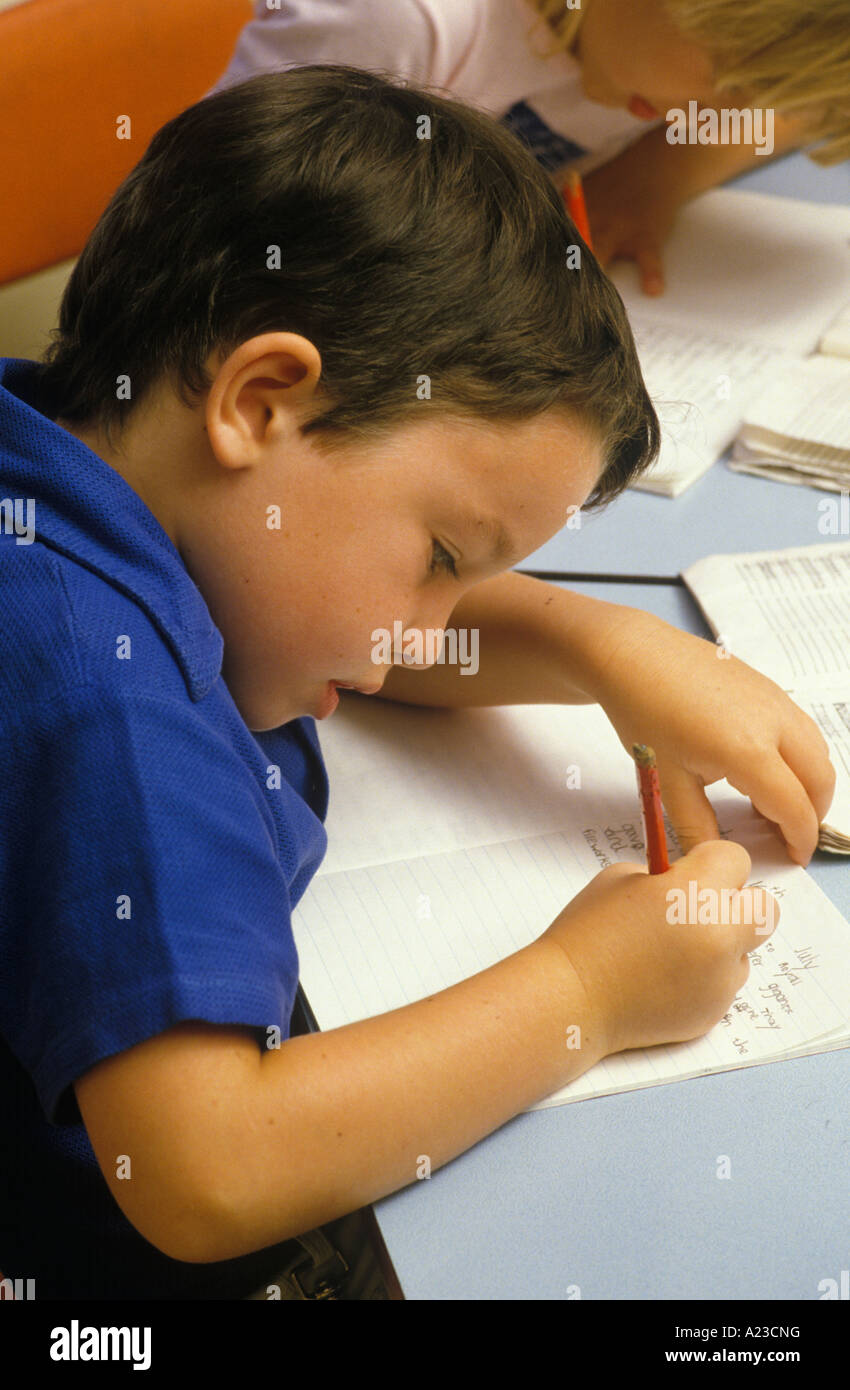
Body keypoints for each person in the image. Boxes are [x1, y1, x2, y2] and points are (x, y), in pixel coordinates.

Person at [0, 64, 832, 1300]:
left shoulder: (74, 470)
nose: (419, 636)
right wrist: (586, 994)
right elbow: (206, 1166)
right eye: (441, 557)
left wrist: (610, 650)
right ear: (261, 400)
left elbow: (332, 602)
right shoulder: (111, 710)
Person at [211, 0, 850, 294]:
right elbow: (210, 234)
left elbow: (792, 116)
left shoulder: (647, 54)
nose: (725, 118)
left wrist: (656, 173)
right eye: (734, 81)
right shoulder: (400, 22)